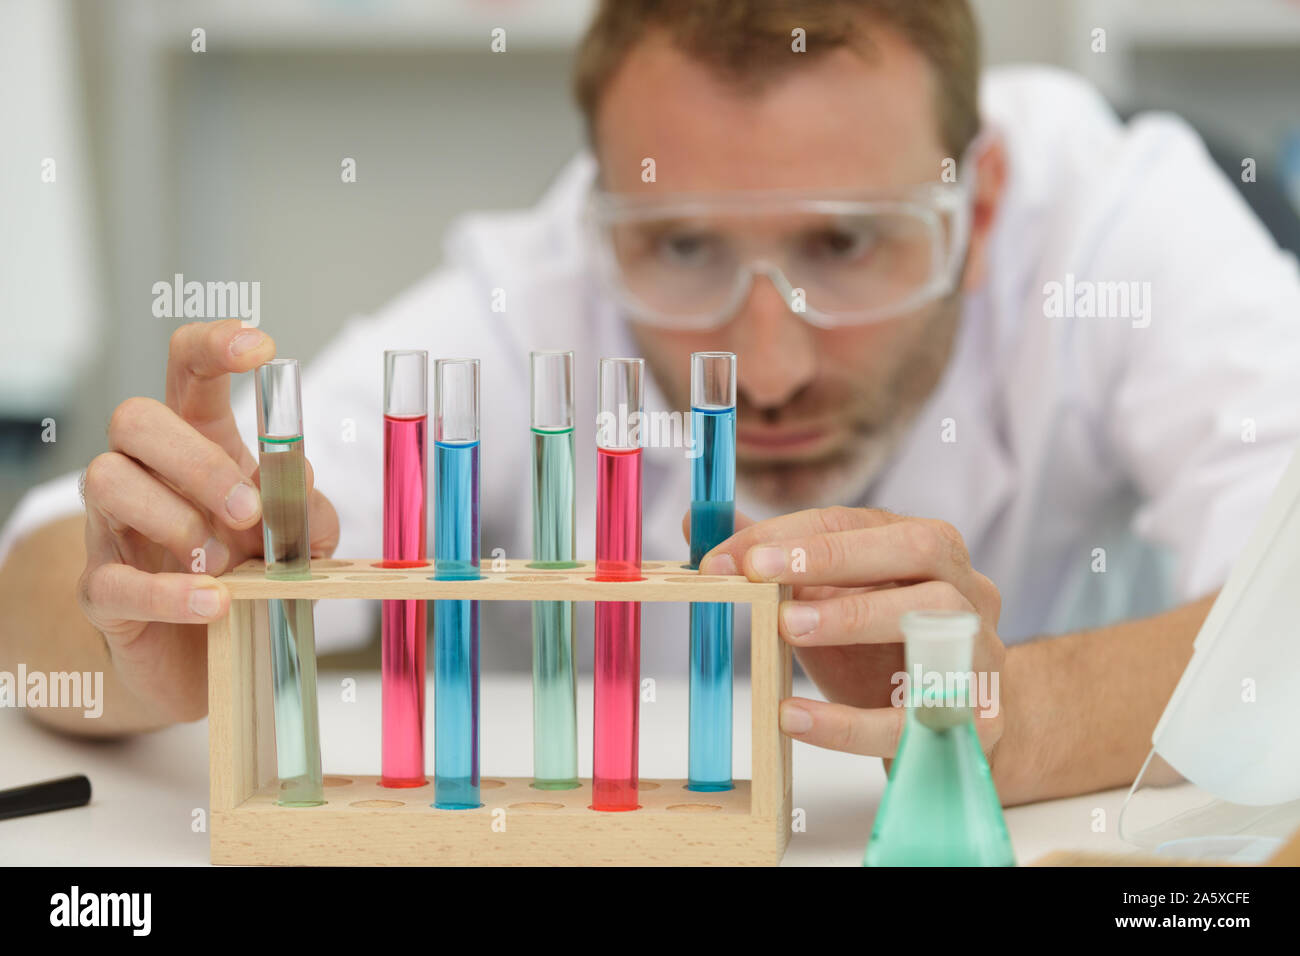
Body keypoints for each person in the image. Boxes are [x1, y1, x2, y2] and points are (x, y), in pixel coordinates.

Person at [2, 0, 1298, 807]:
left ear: (986, 198)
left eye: (847, 245)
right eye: (682, 251)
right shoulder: (548, 278)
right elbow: (40, 577)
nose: (771, 364)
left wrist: (1023, 716)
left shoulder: (1123, 221)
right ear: (604, 203)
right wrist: (135, 626)